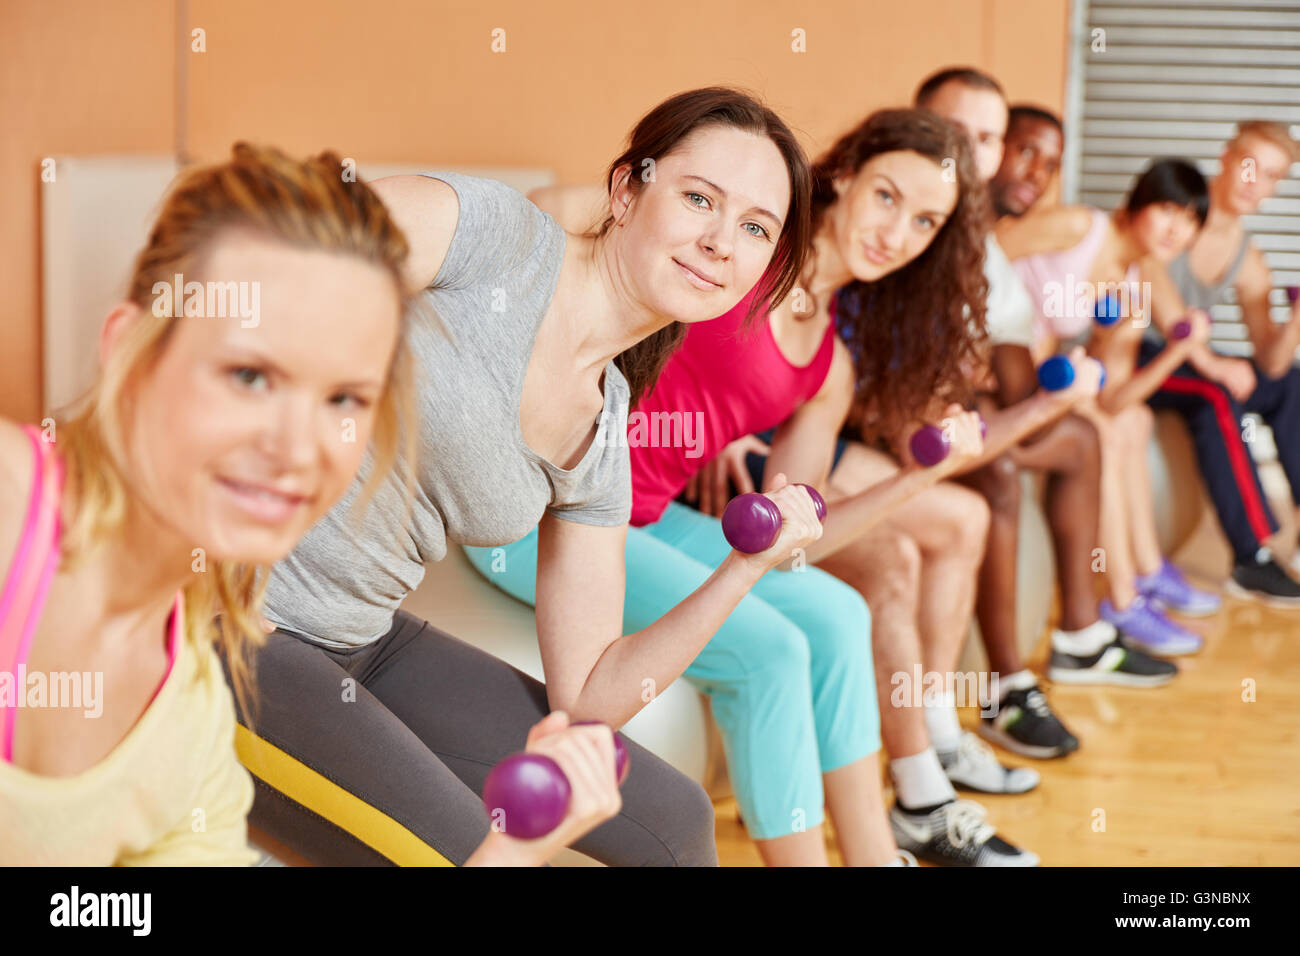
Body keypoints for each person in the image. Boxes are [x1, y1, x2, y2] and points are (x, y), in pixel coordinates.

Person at [0, 143, 623, 867]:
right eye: (250, 375)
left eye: (343, 399)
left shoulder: (192, 716)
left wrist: (514, 852)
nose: (299, 448)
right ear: (129, 351)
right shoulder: (11, 510)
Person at [245, 88, 820, 866]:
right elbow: (264, 274)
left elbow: (589, 693)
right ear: (626, 191)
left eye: (755, 227)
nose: (722, 241)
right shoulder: (492, 237)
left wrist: (743, 566)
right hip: (241, 628)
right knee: (482, 855)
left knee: (674, 820)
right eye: (698, 199)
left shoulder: (603, 425)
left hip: (362, 642)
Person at [468, 109, 1026, 866]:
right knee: (772, 651)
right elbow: (553, 212)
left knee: (836, 611)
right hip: (553, 512)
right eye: (887, 197)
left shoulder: (830, 365)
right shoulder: (735, 254)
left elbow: (801, 538)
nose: (896, 234)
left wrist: (915, 476)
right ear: (846, 175)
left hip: (647, 517)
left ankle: (870, 853)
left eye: (924, 222)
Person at [915, 73, 1179, 761]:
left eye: (994, 140)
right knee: (1000, 463)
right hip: (902, 424)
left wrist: (1071, 372)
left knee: (1082, 437)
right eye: (969, 137)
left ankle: (1081, 638)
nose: (1014, 164)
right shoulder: (914, 222)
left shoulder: (985, 244)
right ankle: (1005, 689)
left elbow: (1012, 372)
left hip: (964, 409)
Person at [998, 157, 1223, 658]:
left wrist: (1172, 351)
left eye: (1190, 221)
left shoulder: (1131, 286)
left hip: (1027, 371)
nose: (1176, 229)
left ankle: (1143, 574)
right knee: (1101, 430)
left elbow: (1115, 396)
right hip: (988, 353)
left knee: (1128, 420)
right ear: (1136, 204)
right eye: (1168, 209)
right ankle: (1121, 597)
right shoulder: (1080, 226)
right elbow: (987, 252)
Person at [1139, 120, 1300, 605]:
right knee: (1216, 393)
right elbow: (1146, 271)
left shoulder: (1248, 259)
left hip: (1190, 355)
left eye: (1272, 176)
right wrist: (1211, 363)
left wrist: (1295, 321)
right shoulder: (1177, 210)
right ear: (1226, 157)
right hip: (1138, 353)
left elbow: (1269, 363)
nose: (1257, 182)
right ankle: (1252, 559)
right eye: (1250, 165)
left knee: (1292, 384)